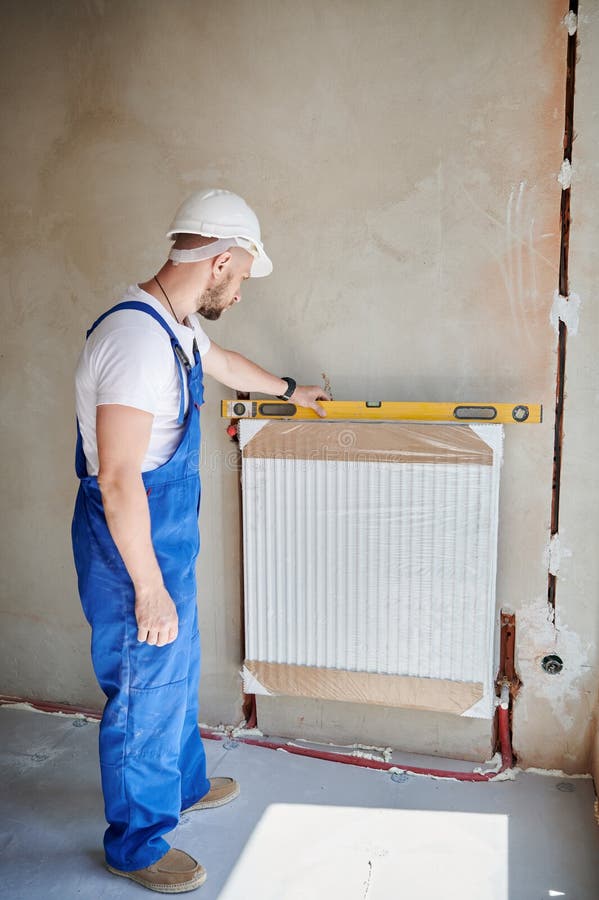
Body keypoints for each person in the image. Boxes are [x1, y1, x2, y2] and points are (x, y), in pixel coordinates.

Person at [72, 188, 329, 893]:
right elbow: (120, 480)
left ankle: (179, 783)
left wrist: (288, 390)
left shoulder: (174, 326)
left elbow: (222, 365)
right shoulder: (133, 342)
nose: (241, 290)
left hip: (163, 539)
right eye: (241, 275)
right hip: (132, 551)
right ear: (217, 262)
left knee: (174, 673)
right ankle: (137, 843)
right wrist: (149, 589)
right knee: (144, 690)